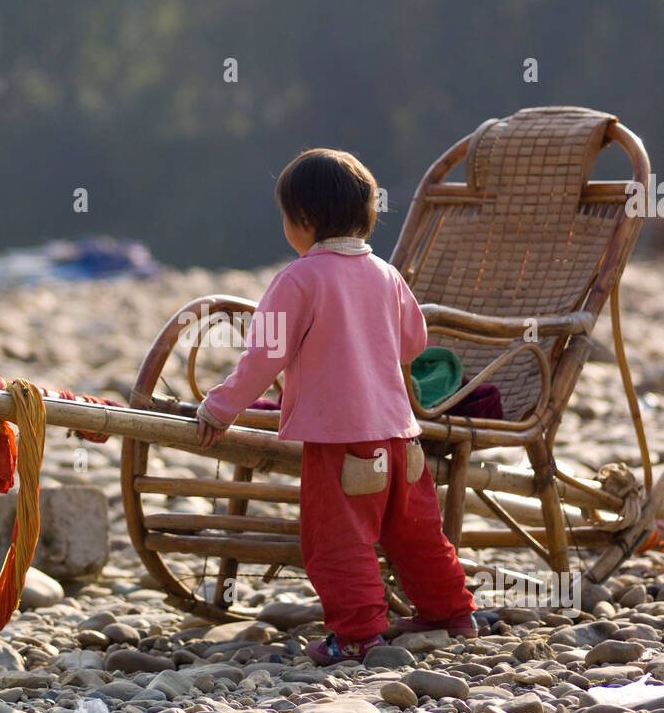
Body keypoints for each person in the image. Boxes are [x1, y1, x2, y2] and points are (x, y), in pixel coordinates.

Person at [195, 148, 478, 665]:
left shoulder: (297, 279)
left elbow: (263, 357)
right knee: (416, 534)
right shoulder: (386, 275)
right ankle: (452, 612)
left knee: (336, 542)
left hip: (340, 442)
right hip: (401, 437)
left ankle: (357, 633)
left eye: (286, 216)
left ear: (303, 220)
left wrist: (220, 409)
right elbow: (413, 343)